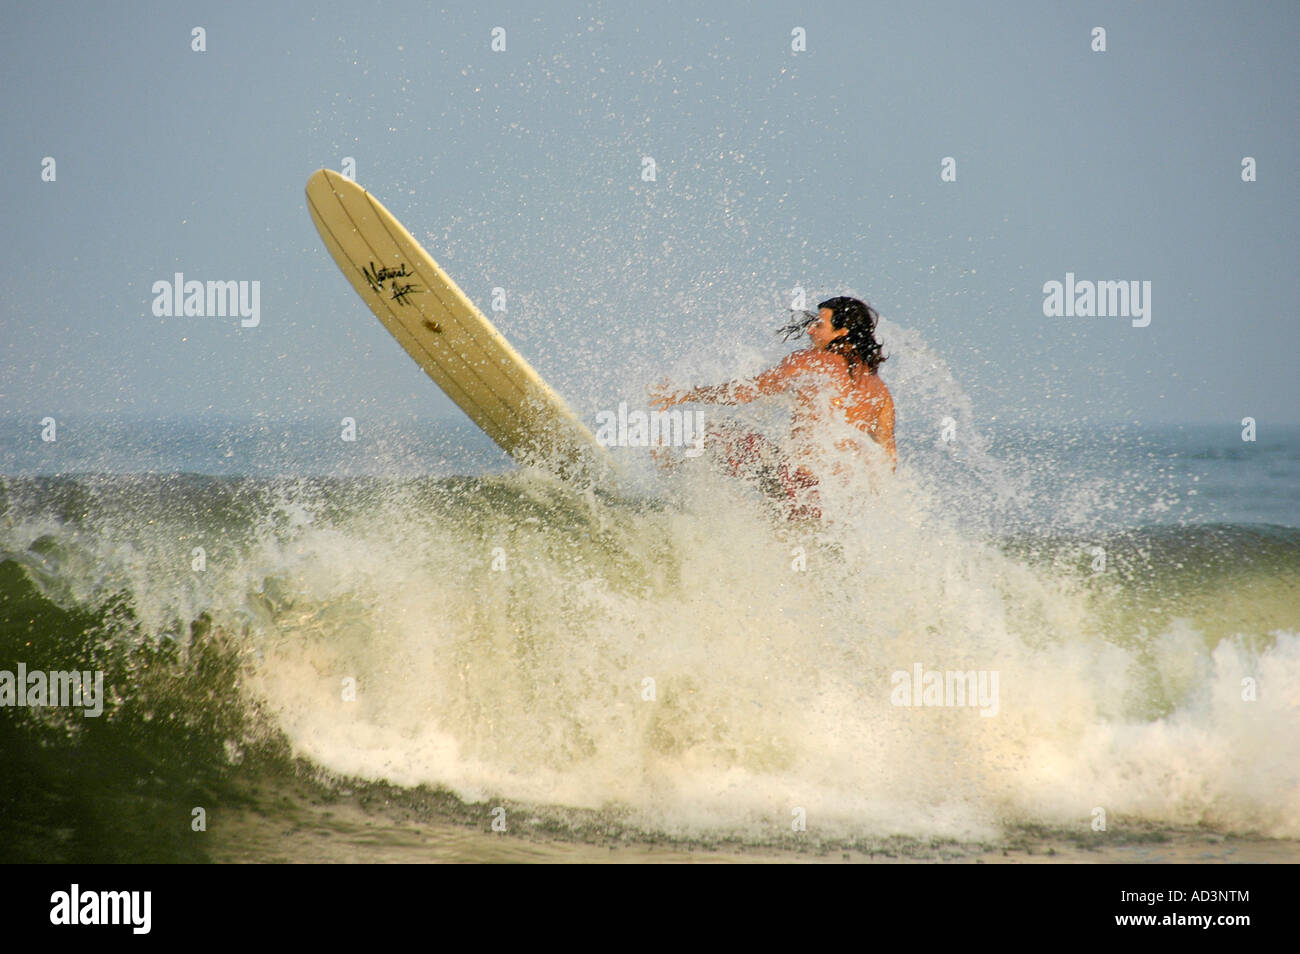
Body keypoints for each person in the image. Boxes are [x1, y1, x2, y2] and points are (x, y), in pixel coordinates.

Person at [649, 296, 896, 517]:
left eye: (819, 325)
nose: (810, 330)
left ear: (841, 332)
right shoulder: (880, 391)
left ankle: (675, 486)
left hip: (797, 482)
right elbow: (887, 460)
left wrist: (686, 394)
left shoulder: (810, 361)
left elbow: (745, 392)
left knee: (713, 433)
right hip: (834, 501)